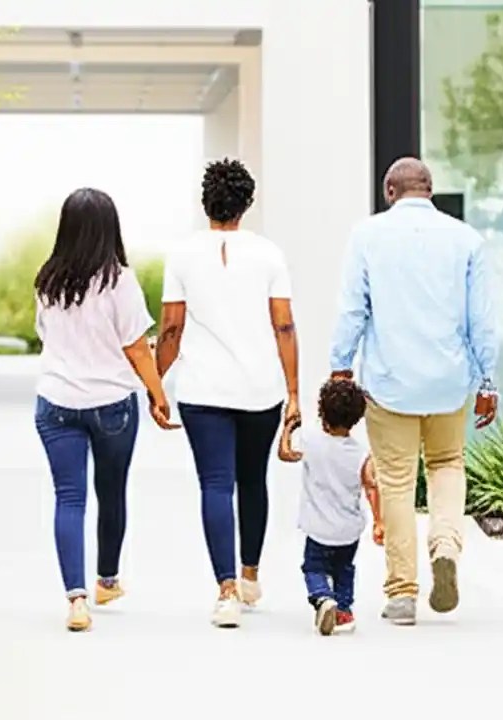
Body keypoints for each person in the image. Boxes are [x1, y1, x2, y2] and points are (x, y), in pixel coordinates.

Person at [328, 157, 499, 627]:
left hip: (391, 382)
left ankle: (402, 594)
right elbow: (481, 319)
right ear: (430, 190)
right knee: (447, 466)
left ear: (389, 191)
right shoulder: (466, 239)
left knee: (397, 482)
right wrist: (488, 379)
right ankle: (446, 545)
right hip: (449, 381)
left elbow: (352, 310)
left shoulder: (366, 236)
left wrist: (340, 367)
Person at [156, 158, 300, 629]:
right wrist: (294, 391)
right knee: (253, 480)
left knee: (215, 485)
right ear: (247, 203)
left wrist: (155, 385)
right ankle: (251, 574)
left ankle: (226, 591)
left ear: (206, 203)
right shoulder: (269, 255)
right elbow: (284, 324)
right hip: (261, 389)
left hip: (203, 389)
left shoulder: (181, 255)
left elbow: (172, 331)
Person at [33, 188, 179, 633]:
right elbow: (136, 347)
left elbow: (46, 337)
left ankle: (76, 600)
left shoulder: (47, 280)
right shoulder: (119, 280)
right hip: (112, 405)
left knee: (69, 498)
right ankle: (107, 581)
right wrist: (158, 394)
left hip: (57, 403)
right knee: (111, 492)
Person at [277, 378, 384, 636]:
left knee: (314, 568)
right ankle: (344, 612)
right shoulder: (361, 454)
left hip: (318, 529)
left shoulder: (311, 440)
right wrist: (380, 521)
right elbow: (372, 487)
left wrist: (288, 427)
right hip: (348, 531)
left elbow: (285, 453)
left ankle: (323, 599)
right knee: (344, 569)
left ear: (321, 411)